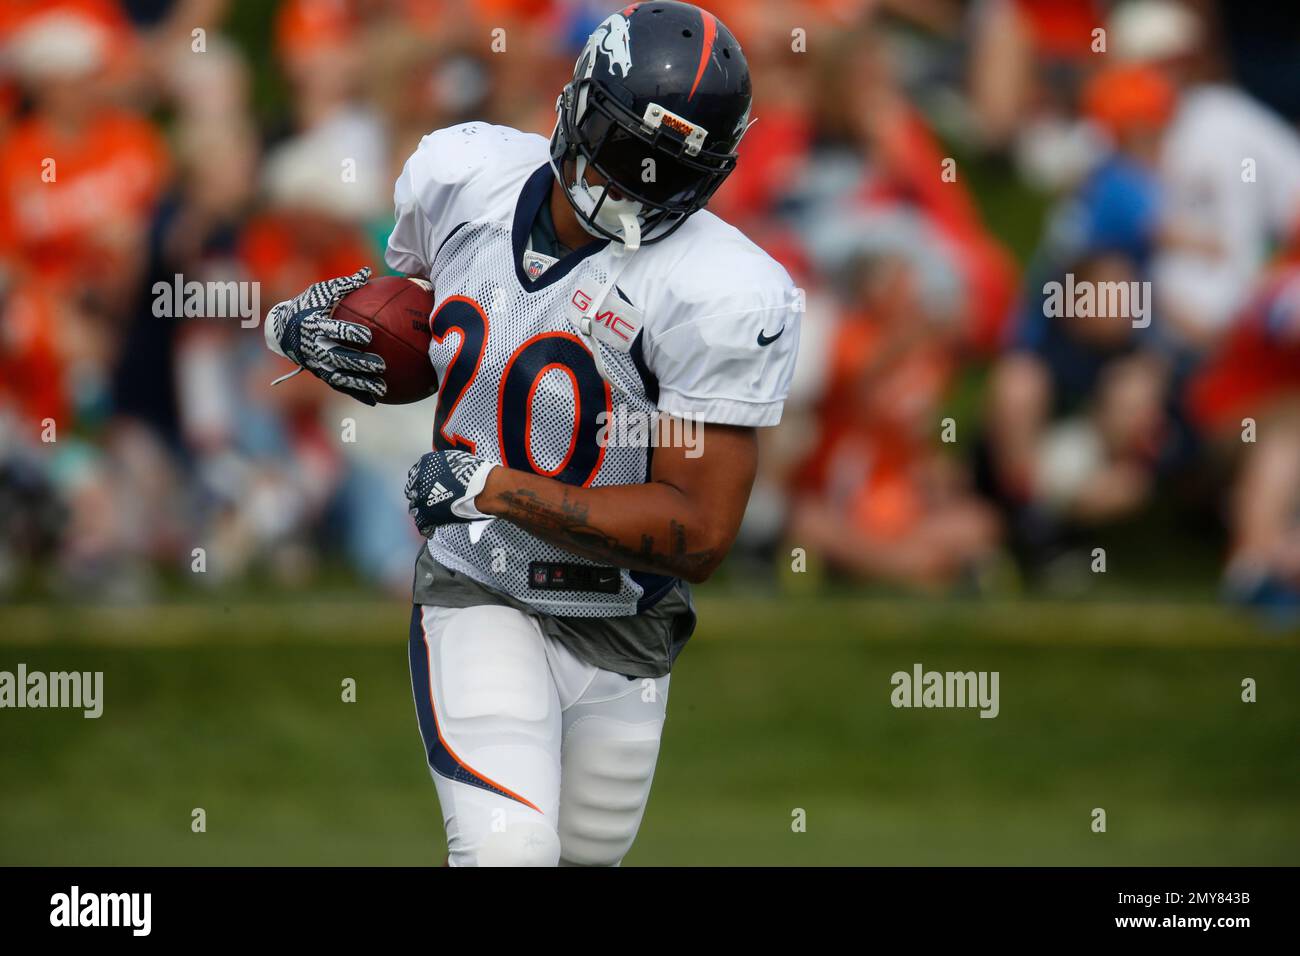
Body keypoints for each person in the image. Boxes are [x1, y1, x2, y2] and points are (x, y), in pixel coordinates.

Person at [261, 3, 800, 866]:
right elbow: (431, 332)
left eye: (665, 171)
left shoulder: (722, 291)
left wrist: (491, 486)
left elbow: (698, 532)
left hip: (621, 623)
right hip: (481, 582)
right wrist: (325, 325)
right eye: (621, 147)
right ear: (577, 97)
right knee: (510, 854)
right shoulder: (461, 173)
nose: (629, 184)